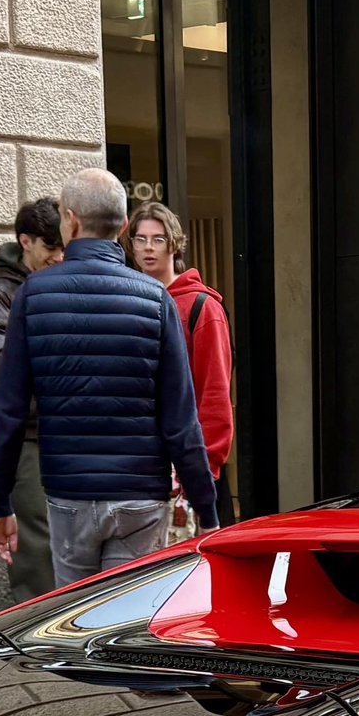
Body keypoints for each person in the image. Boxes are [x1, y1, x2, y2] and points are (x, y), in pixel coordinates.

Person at [0, 168, 217, 583]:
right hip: (141, 495)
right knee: (132, 611)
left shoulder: (33, 295)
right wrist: (207, 508)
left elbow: (10, 410)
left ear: (70, 221)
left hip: (70, 492)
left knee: (75, 612)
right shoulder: (155, 299)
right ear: (124, 226)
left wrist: (0, 501)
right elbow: (181, 419)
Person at [121, 201, 236, 527]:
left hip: (192, 466)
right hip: (140, 468)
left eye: (157, 239)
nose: (148, 248)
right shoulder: (129, 302)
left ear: (174, 244)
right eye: (140, 239)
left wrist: (205, 469)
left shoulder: (202, 308)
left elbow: (215, 393)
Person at [0, 196, 62, 600]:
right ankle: (37, 634)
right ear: (25, 241)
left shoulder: (47, 285)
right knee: (35, 553)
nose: (59, 256)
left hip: (55, 435)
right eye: (50, 247)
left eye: (63, 246)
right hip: (27, 438)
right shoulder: (3, 292)